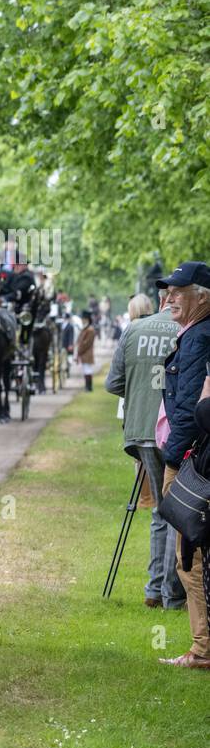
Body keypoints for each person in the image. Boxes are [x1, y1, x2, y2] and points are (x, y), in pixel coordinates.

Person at [106, 293, 183, 610]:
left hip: (141, 430)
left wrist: (139, 393)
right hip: (174, 431)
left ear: (161, 299)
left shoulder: (134, 329)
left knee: (159, 510)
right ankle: (170, 594)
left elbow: (113, 384)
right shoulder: (185, 328)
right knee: (175, 512)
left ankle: (154, 589)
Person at [154, 262, 210, 669]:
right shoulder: (194, 334)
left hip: (194, 464)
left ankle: (202, 650)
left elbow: (190, 411)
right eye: (167, 290)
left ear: (202, 296)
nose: (168, 297)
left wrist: (173, 457)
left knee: (189, 559)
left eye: (178, 290)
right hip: (196, 457)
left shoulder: (199, 339)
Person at [75, 311, 96, 391]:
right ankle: (87, 386)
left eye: (83, 319)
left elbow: (86, 343)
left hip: (87, 353)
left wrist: (79, 351)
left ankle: (89, 387)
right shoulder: (85, 329)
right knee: (85, 370)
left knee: (88, 370)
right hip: (85, 353)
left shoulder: (90, 330)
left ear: (87, 320)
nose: (82, 320)